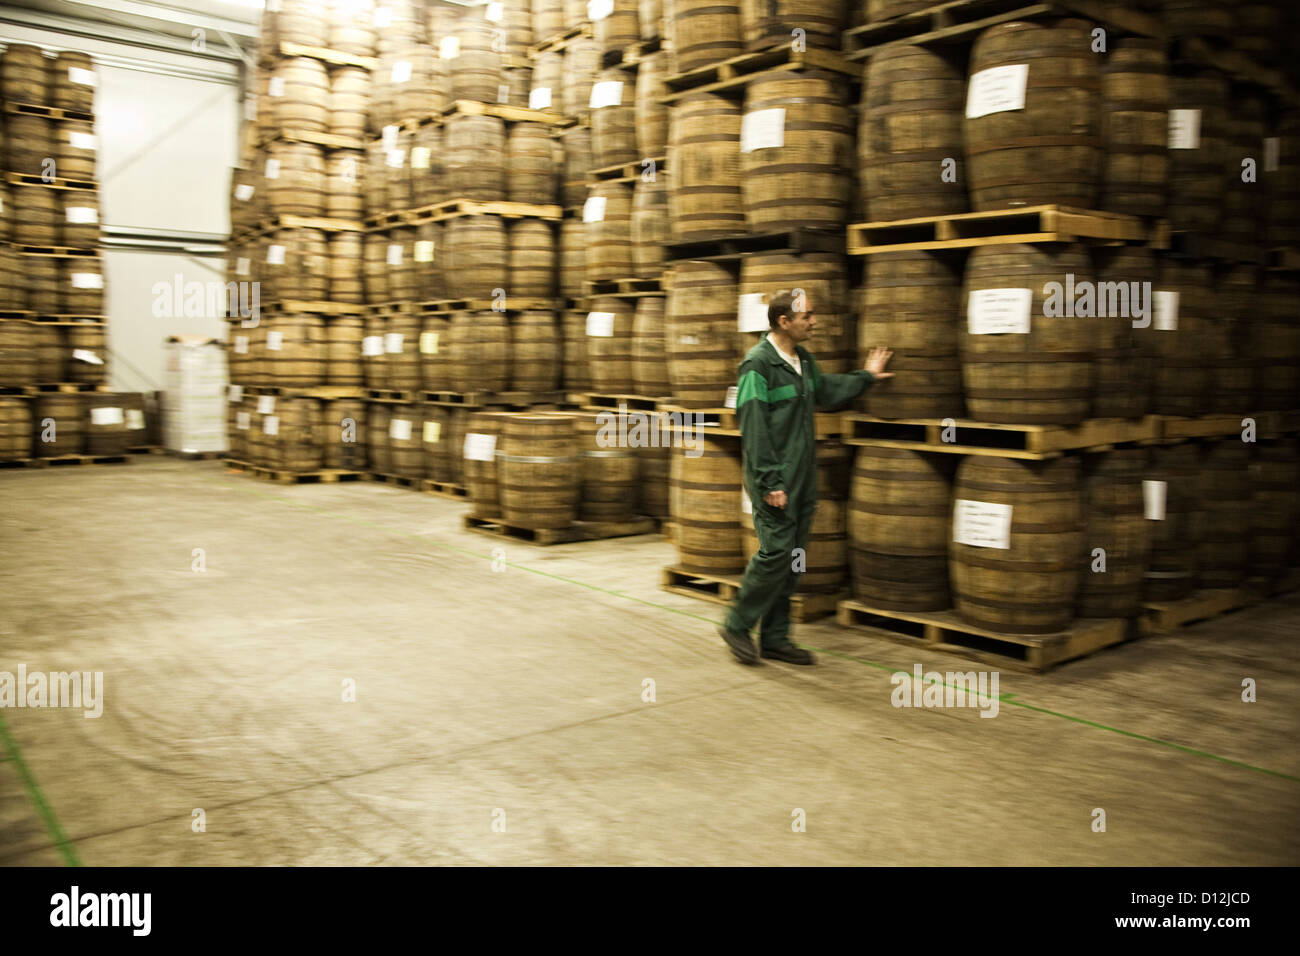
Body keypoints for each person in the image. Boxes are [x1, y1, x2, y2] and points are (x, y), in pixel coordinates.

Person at [718, 289, 894, 665]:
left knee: (794, 557)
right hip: (775, 482)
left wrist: (867, 377)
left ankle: (777, 637)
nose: (814, 322)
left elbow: (827, 391)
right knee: (775, 553)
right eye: (807, 316)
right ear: (785, 321)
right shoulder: (757, 366)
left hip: (803, 479)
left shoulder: (801, 361)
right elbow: (754, 429)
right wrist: (770, 483)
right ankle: (736, 623)